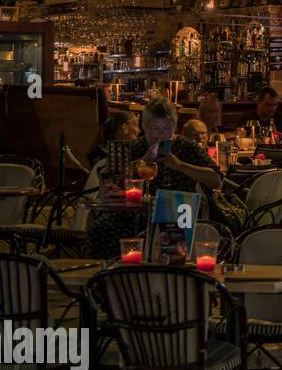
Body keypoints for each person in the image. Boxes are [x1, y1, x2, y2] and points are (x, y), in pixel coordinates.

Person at [85, 98, 224, 258]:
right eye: (155, 128)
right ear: (145, 127)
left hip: (177, 213)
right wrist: (144, 160)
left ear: (174, 127)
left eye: (166, 128)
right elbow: (109, 180)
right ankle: (113, 280)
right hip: (133, 216)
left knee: (162, 239)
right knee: (100, 231)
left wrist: (180, 165)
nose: (160, 134)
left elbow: (216, 180)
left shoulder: (186, 147)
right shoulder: (136, 147)